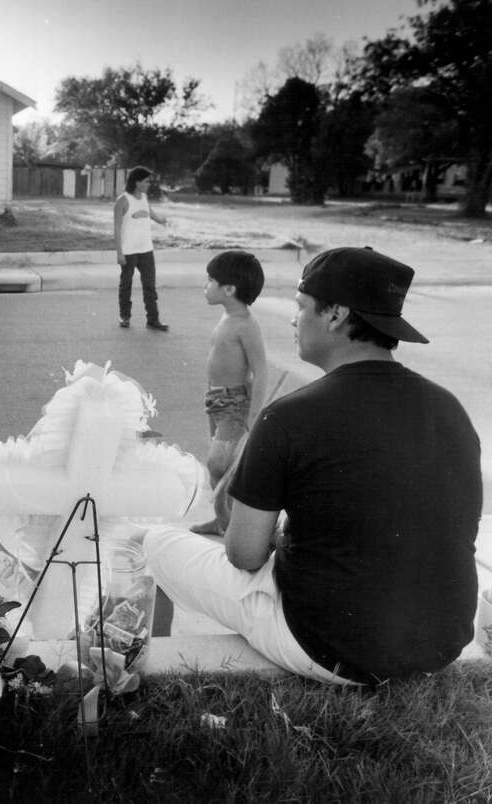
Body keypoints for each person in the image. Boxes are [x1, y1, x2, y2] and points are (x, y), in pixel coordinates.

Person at [144, 247, 482, 685]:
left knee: (150, 542)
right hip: (441, 642)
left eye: (300, 307)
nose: (292, 319)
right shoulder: (449, 407)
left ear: (337, 314)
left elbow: (244, 555)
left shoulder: (288, 416)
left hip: (331, 649)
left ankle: (153, 673)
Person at [190, 251, 268, 536]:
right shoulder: (227, 318)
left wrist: (254, 416)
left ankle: (232, 524)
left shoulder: (246, 325)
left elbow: (260, 371)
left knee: (219, 463)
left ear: (229, 289)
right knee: (218, 468)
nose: (206, 285)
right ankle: (222, 520)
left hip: (235, 404)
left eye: (210, 280)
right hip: (217, 401)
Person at [114, 165, 169, 331]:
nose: (148, 184)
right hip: (128, 252)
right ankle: (125, 316)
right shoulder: (122, 200)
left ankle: (153, 320)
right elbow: (116, 228)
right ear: (137, 182)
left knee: (150, 287)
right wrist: (119, 252)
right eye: (146, 181)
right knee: (126, 285)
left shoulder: (144, 198)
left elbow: (151, 214)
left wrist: (163, 220)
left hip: (146, 250)